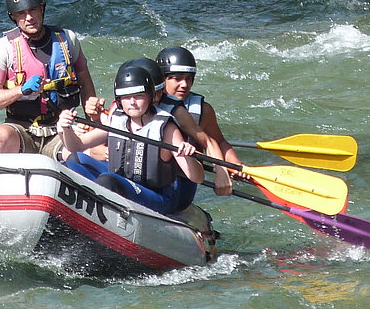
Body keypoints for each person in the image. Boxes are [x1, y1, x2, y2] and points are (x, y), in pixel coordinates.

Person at [56, 61, 206, 215]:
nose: (132, 103)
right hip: (122, 180)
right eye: (127, 97)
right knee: (71, 161)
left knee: (107, 181)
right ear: (119, 100)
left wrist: (188, 157)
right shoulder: (117, 120)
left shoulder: (166, 128)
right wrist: (65, 129)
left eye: (139, 96)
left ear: (150, 96)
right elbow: (76, 146)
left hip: (157, 195)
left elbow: (197, 178)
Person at [0, 0, 96, 158]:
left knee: (91, 153)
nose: (29, 17)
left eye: (33, 9)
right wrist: (21, 90)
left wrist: (92, 121)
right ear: (13, 17)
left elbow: (86, 83)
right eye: (21, 13)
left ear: (42, 9)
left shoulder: (68, 41)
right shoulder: (4, 48)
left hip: (61, 129)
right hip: (21, 129)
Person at [157, 46, 241, 186]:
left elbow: (218, 142)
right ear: (161, 79)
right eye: (177, 79)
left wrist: (234, 165)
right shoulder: (142, 104)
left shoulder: (203, 110)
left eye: (188, 79)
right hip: (154, 175)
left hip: (183, 180)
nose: (184, 84)